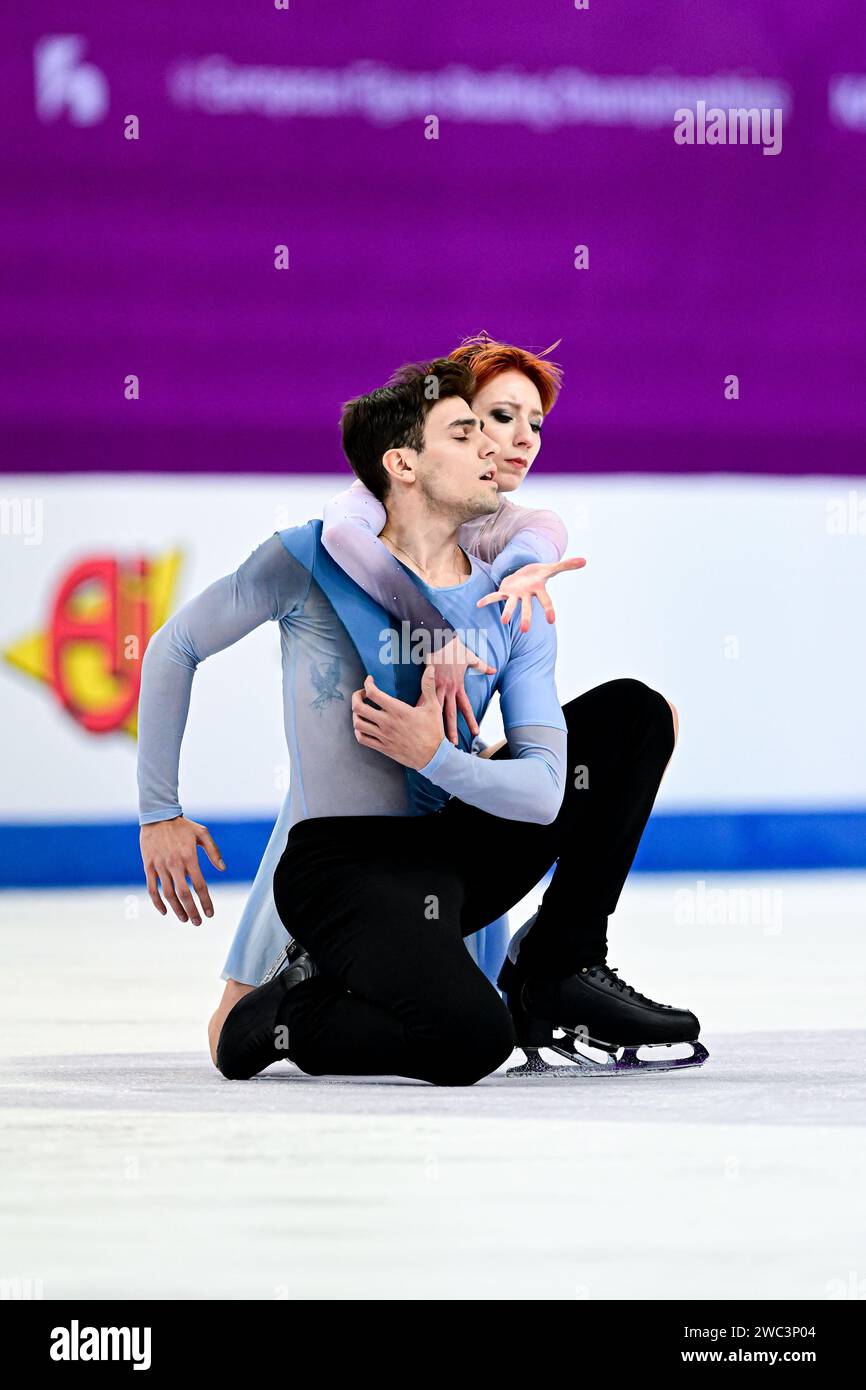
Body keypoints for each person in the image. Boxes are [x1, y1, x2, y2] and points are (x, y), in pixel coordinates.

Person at [138, 357, 706, 1084]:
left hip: (449, 850)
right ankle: (294, 1004)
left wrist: (439, 756)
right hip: (344, 863)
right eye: (474, 431)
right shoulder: (313, 552)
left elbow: (542, 796)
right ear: (404, 462)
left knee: (635, 715)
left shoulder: (514, 594)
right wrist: (161, 812)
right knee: (464, 1037)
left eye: (526, 428)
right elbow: (176, 645)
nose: (504, 449)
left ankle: (559, 966)